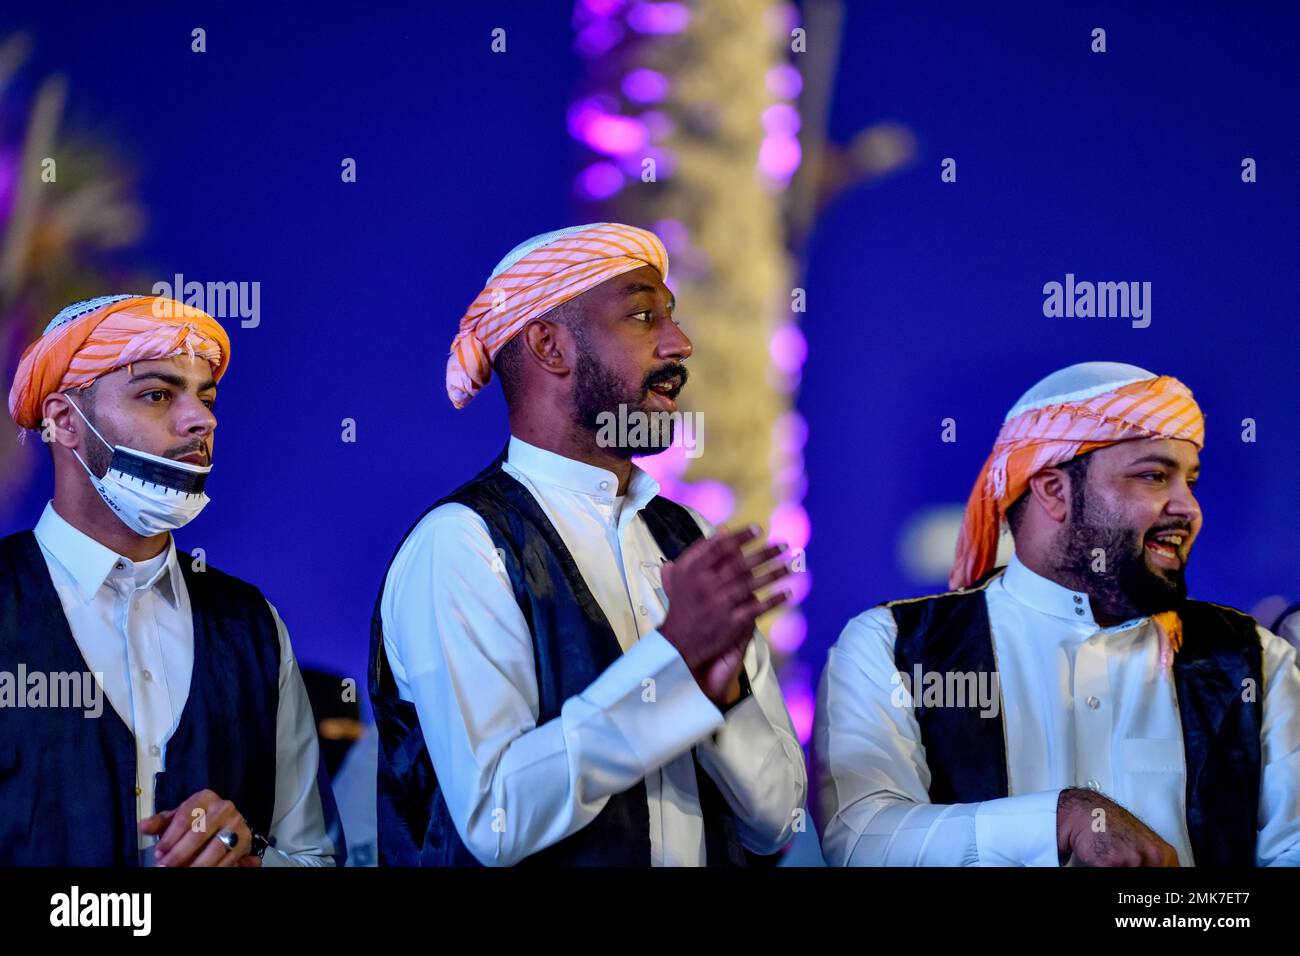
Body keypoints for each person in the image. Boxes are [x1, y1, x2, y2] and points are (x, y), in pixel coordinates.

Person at [371, 222, 807, 866]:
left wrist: (722, 696)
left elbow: (777, 824)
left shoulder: (692, 542)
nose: (680, 344)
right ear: (550, 346)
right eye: (641, 316)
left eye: (672, 317)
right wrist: (672, 663)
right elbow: (497, 820)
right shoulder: (463, 546)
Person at [814, 361, 1300, 866]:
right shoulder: (893, 646)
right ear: (1052, 490)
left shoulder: (1255, 662)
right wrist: (1060, 820)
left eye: (1190, 481)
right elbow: (861, 839)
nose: (1188, 508)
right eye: (1154, 477)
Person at [1, 294, 341, 867]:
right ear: (64, 422)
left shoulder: (251, 625)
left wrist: (253, 858)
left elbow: (312, 856)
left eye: (205, 398)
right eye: (157, 395)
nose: (201, 420)